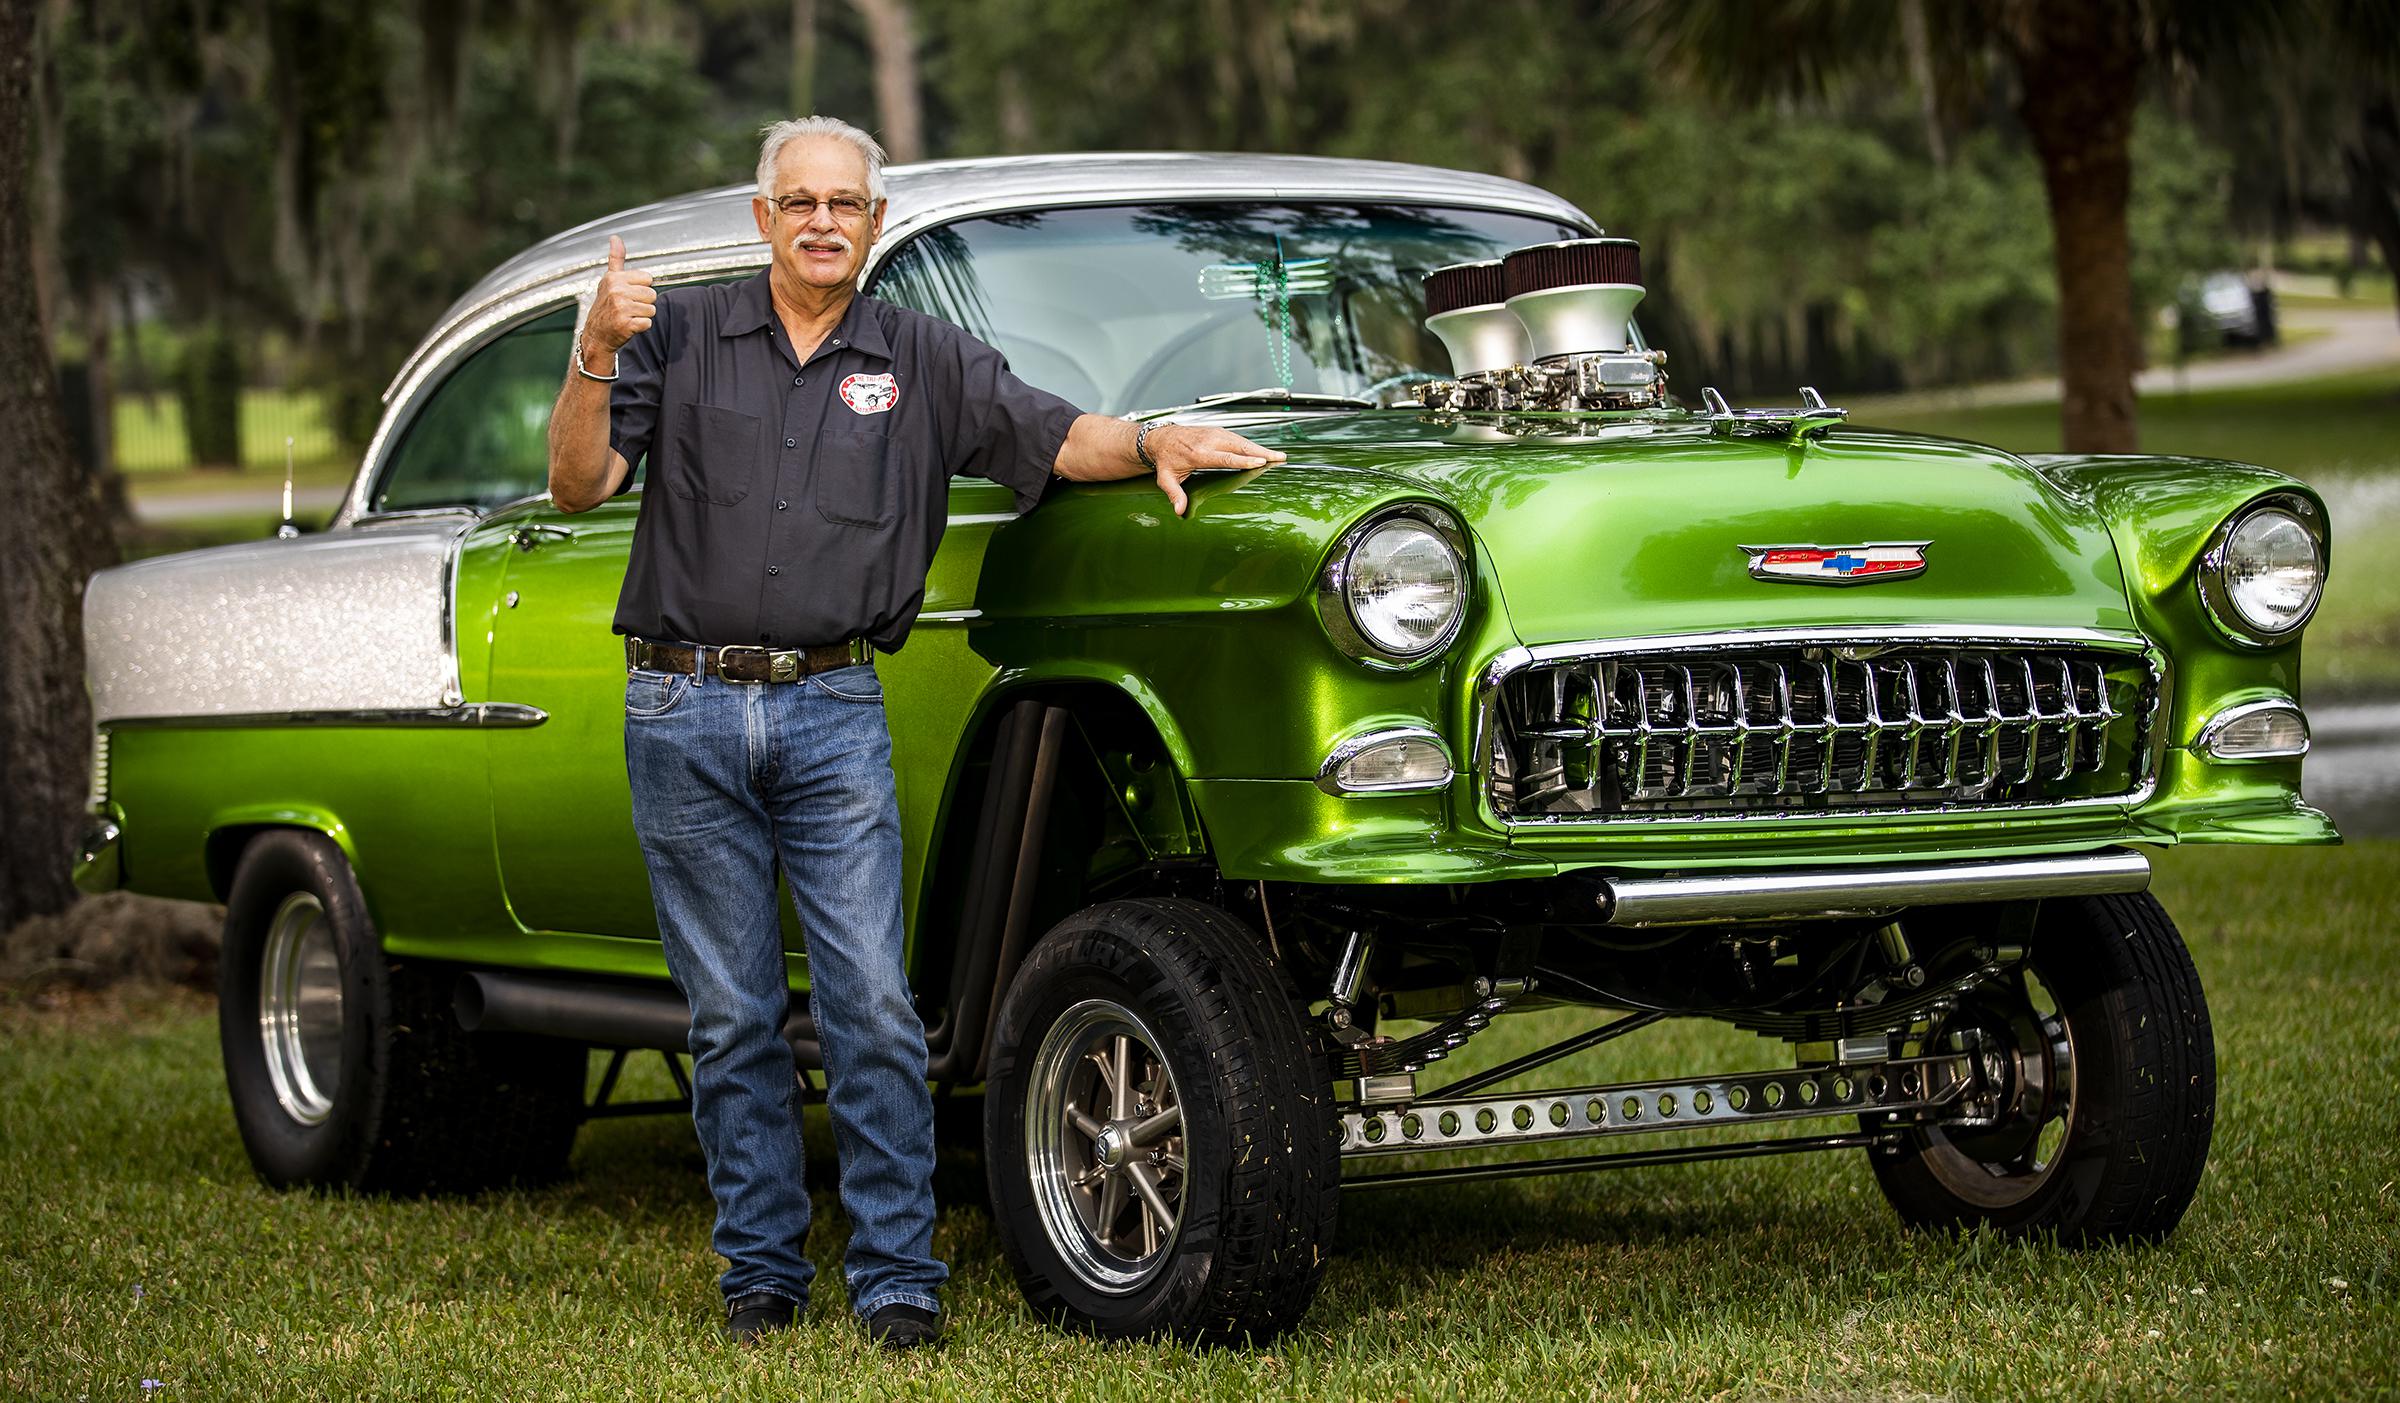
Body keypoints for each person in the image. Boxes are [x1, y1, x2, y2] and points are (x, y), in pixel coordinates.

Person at [542, 116, 1284, 1352]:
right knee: (727, 1015)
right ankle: (762, 1272)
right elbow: (578, 484)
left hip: (833, 707)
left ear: (875, 224)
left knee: (873, 1007)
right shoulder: (672, 336)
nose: (823, 219)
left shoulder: (926, 355)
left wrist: (1154, 438)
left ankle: (896, 1276)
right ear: (762, 216)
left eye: (846, 201)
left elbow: (1056, 436)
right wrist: (592, 352)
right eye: (800, 200)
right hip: (680, 707)